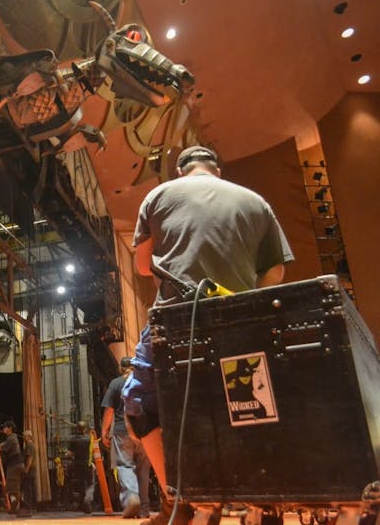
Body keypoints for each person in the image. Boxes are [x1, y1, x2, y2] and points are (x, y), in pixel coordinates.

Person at [121, 145, 294, 525]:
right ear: (216, 169)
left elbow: (143, 265)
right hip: (239, 322)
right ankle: (264, 500)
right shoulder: (255, 201)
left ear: (182, 171)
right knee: (253, 406)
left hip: (177, 320)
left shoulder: (158, 195)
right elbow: (275, 273)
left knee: (137, 398)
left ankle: (180, 497)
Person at [101, 356, 150, 518]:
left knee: (125, 465)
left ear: (121, 369)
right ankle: (144, 509)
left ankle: (131, 498)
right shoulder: (143, 382)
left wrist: (104, 432)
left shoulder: (116, 383)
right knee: (143, 470)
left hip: (122, 431)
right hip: (144, 432)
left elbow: (109, 410)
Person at [0, 420, 24, 513]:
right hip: (17, 464)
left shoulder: (11, 439)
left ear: (10, 428)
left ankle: (16, 504)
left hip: (14, 465)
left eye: (5, 427)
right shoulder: (13, 438)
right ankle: (16, 507)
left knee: (11, 487)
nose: (3, 429)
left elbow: (0, 447)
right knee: (16, 487)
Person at [66, 421, 93, 513]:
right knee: (90, 483)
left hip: (77, 465)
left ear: (77, 429)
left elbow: (69, 454)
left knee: (80, 484)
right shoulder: (89, 439)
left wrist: (67, 454)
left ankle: (82, 505)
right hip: (87, 464)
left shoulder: (74, 440)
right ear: (85, 429)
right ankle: (88, 501)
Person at [20, 429, 36, 515]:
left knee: (28, 488)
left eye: (24, 436)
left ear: (28, 436)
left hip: (30, 470)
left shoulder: (29, 445)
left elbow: (30, 458)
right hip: (32, 469)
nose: (23, 437)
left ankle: (29, 507)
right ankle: (31, 506)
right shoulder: (31, 445)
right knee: (30, 488)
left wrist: (26, 469)